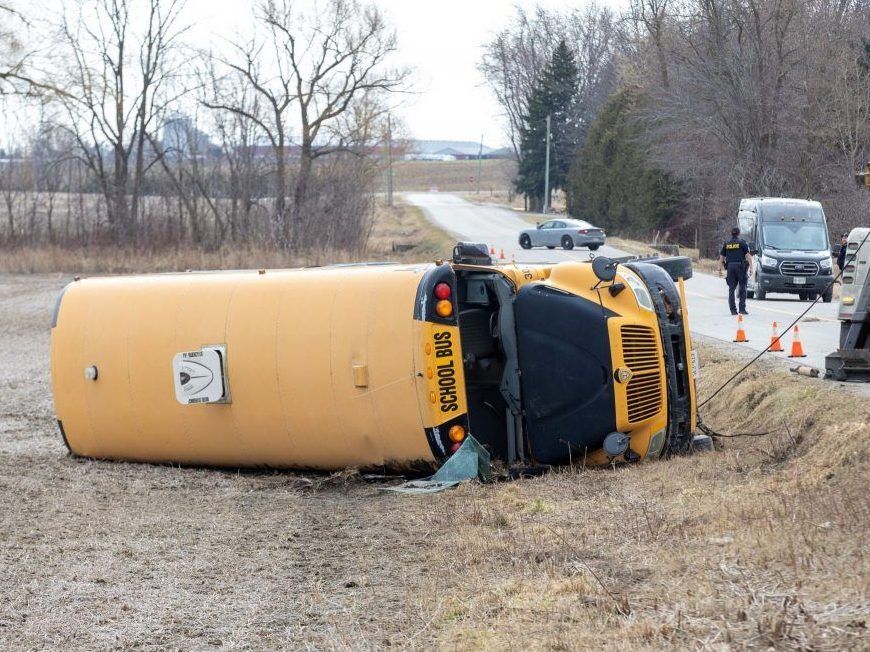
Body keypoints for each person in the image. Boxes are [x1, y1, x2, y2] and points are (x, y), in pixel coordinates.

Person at [719, 227, 754, 315]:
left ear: (731, 233)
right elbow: (748, 256)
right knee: (742, 288)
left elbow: (721, 257)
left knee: (731, 289)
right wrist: (751, 268)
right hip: (740, 267)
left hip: (730, 267)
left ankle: (733, 310)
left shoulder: (727, 243)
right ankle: (742, 309)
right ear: (738, 233)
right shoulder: (742, 243)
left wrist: (719, 269)